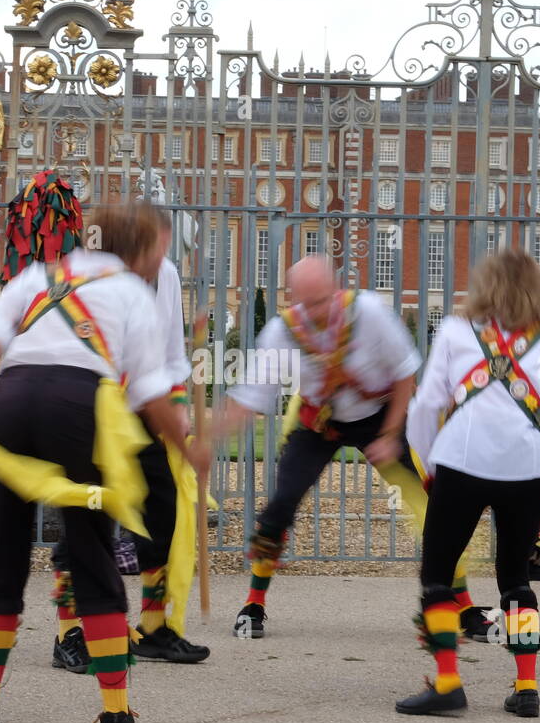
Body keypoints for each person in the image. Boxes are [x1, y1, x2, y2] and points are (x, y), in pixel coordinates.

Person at [0, 198, 208, 723]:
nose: (165, 259)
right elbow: (151, 390)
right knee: (91, 551)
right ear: (137, 249)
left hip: (12, 402)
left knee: (5, 557)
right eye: (160, 248)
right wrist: (185, 445)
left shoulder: (42, 273)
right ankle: (115, 716)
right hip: (80, 411)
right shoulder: (134, 293)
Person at [210, 256, 493, 641]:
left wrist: (391, 435)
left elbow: (406, 373)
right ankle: (254, 604)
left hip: (380, 414)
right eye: (307, 304)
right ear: (292, 300)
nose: (318, 312)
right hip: (319, 420)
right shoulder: (282, 330)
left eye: (324, 300)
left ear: (337, 289)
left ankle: (463, 605)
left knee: (429, 508)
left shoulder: (370, 313)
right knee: (280, 505)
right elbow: (251, 397)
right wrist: (207, 444)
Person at [395, 249, 540, 718]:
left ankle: (448, 681)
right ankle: (527, 686)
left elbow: (424, 407)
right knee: (514, 575)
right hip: (528, 471)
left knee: (437, 571)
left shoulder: (456, 331)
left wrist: (432, 466)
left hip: (462, 463)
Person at [50, 205, 211, 671]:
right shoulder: (83, 277)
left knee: (162, 511)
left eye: (166, 246)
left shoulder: (166, 276)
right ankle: (71, 633)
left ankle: (154, 626)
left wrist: (175, 411)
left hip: (143, 405)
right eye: (158, 245)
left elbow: (169, 349)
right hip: (88, 406)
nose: (166, 254)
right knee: (87, 514)